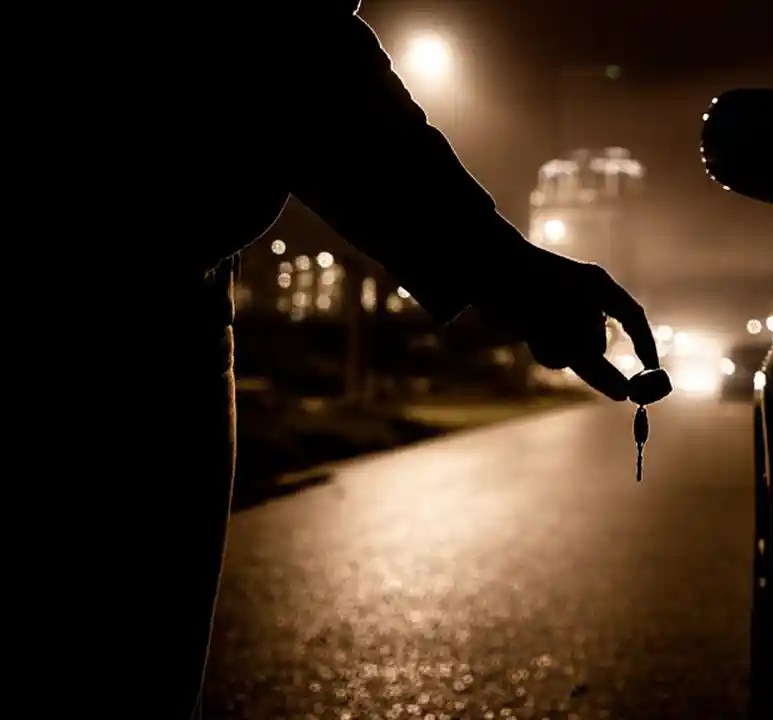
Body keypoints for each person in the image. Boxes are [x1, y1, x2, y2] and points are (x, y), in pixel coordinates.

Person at [96, 1, 659, 716]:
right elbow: (297, 57)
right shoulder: (289, 47)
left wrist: (511, 275)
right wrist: (512, 275)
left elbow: (307, 69)